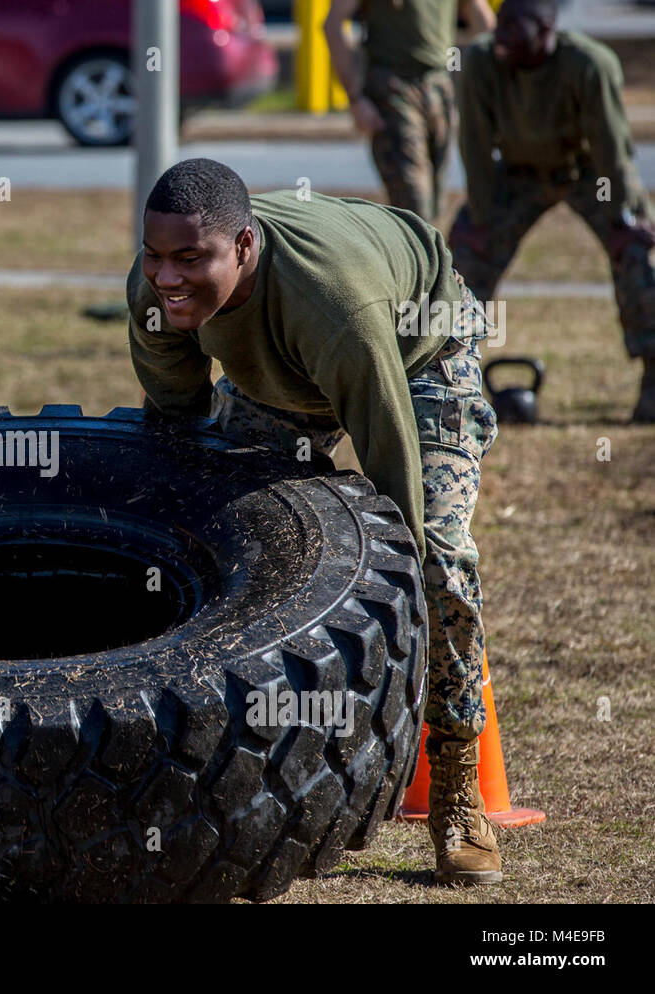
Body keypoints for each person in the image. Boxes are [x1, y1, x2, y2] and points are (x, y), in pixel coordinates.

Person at [128, 158, 502, 886]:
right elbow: (175, 430)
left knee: (435, 557)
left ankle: (455, 781)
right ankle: (232, 748)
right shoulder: (154, 291)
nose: (167, 276)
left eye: (188, 258)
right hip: (281, 369)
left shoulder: (336, 308)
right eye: (155, 255)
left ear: (242, 247)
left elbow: (394, 481)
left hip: (414, 348)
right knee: (221, 532)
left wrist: (411, 595)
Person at [449, 0, 655, 421]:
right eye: (499, 25)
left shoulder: (588, 64)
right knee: (460, 264)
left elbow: (612, 149)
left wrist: (624, 219)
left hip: (585, 171)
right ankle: (449, 382)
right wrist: (480, 219)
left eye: (514, 28)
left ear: (546, 29)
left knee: (639, 256)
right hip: (518, 175)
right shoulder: (482, 62)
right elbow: (474, 143)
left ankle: (653, 384)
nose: (502, 37)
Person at [325, 0, 495, 223]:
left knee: (435, 208)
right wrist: (356, 98)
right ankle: (416, 254)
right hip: (393, 88)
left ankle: (425, 255)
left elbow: (485, 24)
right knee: (414, 208)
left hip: (439, 85)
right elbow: (333, 24)